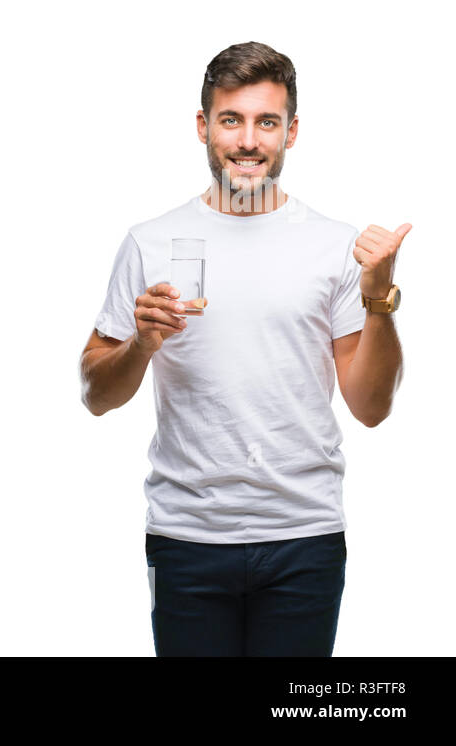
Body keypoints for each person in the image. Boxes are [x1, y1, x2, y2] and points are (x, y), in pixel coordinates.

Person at [80, 41, 408, 656]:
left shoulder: (335, 246)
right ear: (204, 126)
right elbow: (95, 393)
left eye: (267, 122)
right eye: (231, 120)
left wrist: (379, 298)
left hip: (304, 536)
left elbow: (371, 406)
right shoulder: (150, 241)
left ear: (291, 132)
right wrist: (142, 344)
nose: (249, 140)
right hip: (186, 538)